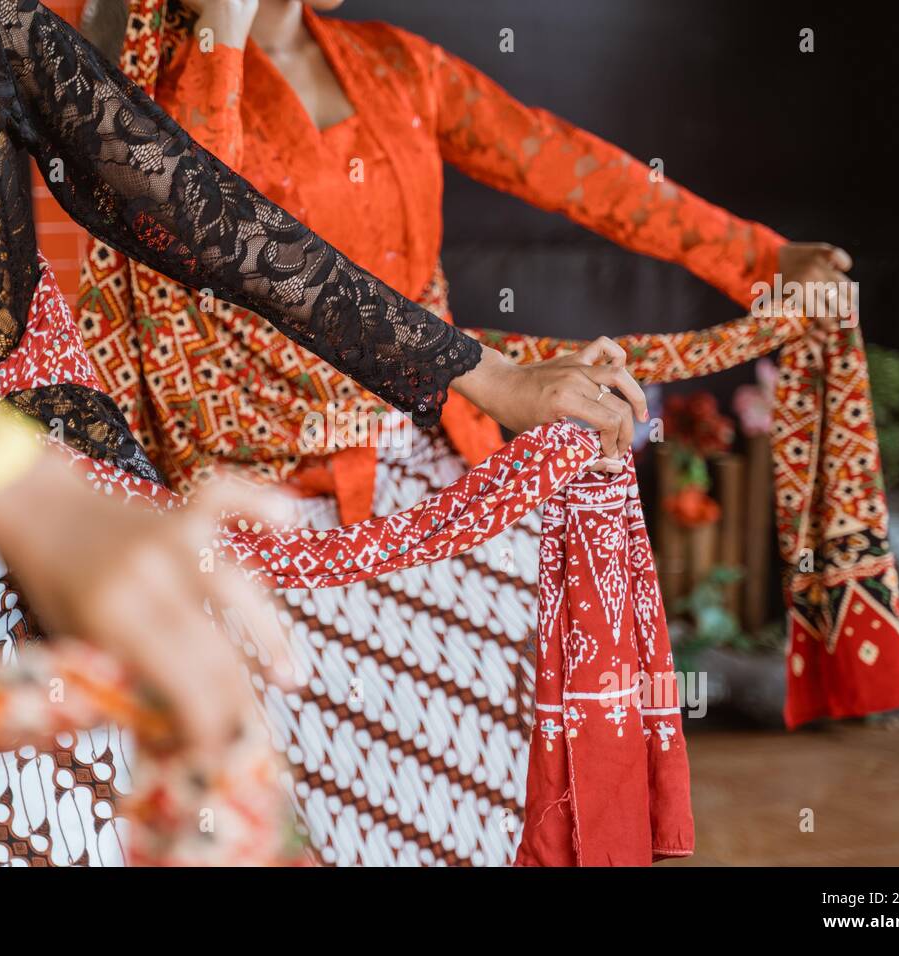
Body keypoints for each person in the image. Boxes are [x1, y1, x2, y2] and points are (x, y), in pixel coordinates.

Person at [0, 0, 642, 866]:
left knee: (174, 787)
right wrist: (23, 499)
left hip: (63, 496)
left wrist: (483, 375)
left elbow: (210, 214)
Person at [75, 0, 858, 865]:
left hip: (442, 473)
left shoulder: (395, 65)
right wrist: (223, 31)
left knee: (495, 778)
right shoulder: (156, 77)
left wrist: (756, 255)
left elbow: (570, 167)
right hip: (272, 506)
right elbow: (191, 223)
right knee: (329, 807)